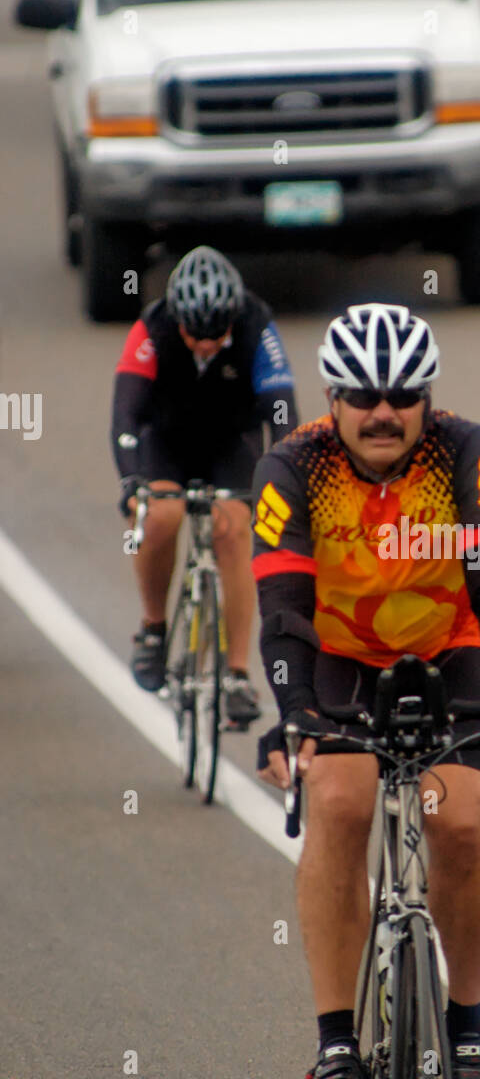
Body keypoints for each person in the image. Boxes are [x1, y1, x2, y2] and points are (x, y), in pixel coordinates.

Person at [254, 302, 480, 1079]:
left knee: (459, 821)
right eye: (361, 395)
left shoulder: (466, 453)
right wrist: (293, 719)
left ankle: (466, 1038)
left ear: (427, 397)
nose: (381, 411)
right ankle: (336, 1047)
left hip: (448, 648)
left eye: (401, 394)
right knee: (343, 807)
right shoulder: (293, 466)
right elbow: (282, 607)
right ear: (333, 397)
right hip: (338, 658)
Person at [111, 245, 299, 725]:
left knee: (235, 528)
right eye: (196, 336)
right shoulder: (151, 327)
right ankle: (153, 628)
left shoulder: (258, 325)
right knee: (160, 515)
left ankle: (236, 673)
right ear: (179, 321)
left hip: (230, 444)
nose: (206, 347)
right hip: (166, 443)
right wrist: (133, 479)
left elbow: (282, 413)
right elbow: (126, 414)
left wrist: (283, 478)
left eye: (218, 336)